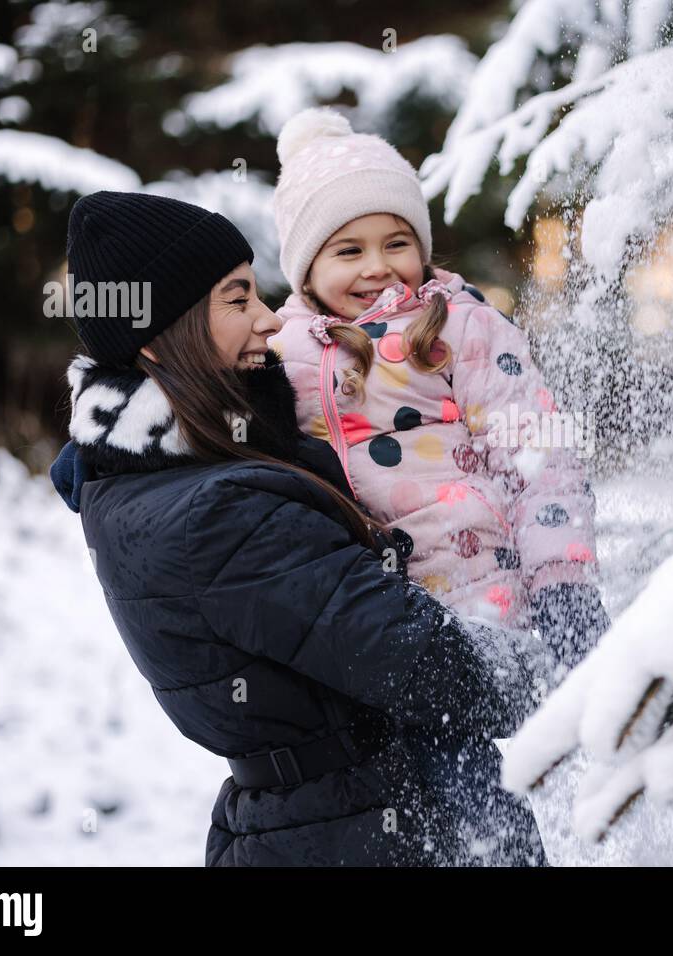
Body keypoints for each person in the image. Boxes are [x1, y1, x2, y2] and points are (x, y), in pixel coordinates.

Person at [49, 190, 547, 866]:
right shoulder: (221, 515)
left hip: (317, 822)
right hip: (359, 834)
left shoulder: (135, 476)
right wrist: (572, 678)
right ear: (157, 336)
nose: (266, 320)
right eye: (236, 299)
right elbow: (424, 663)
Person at [269, 107, 610, 675]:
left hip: (487, 598)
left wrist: (562, 582)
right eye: (348, 250)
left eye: (396, 243)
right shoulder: (281, 352)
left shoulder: (458, 326)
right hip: (372, 621)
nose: (378, 267)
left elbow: (539, 455)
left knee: (489, 759)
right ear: (306, 268)